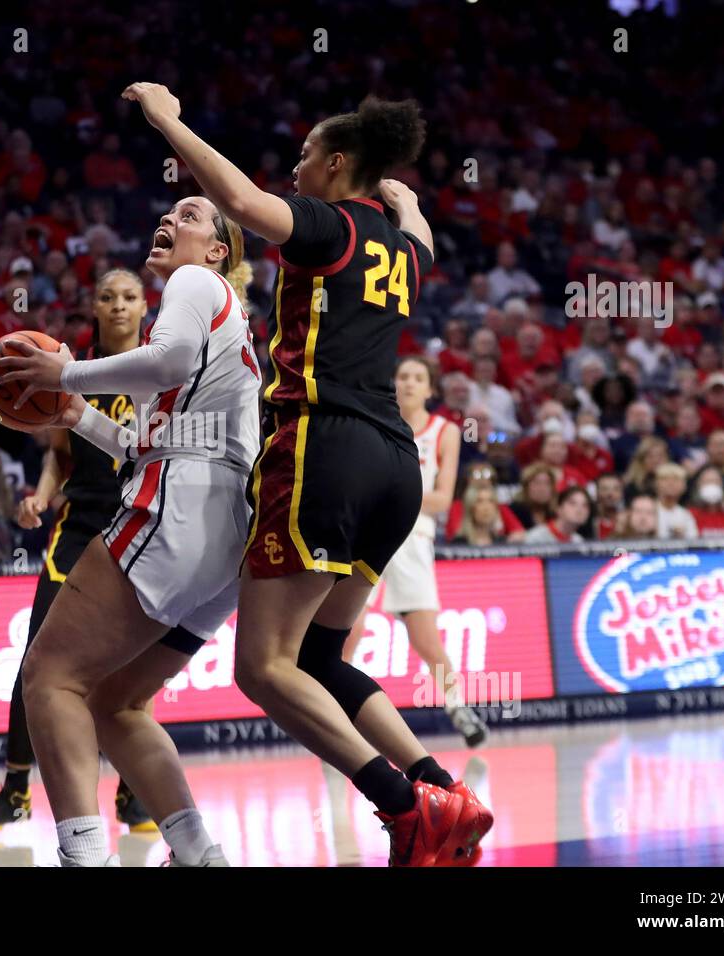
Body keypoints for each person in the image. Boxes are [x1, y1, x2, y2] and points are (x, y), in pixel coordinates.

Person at [118, 82, 489, 866]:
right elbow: (420, 227)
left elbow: (241, 200)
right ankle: (446, 793)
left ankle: (403, 809)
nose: (295, 169)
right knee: (320, 659)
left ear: (338, 163)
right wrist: (406, 197)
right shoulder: (405, 247)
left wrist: (169, 122)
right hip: (396, 468)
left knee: (262, 668)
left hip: (325, 448)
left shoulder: (331, 227)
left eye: (306, 156)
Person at [0, 189, 258, 867]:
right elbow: (146, 443)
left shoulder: (196, 284)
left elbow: (163, 364)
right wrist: (77, 412)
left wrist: (65, 371)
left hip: (182, 508)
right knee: (117, 703)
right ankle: (199, 853)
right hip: (226, 539)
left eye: (191, 216)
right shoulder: (223, 331)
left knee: (49, 675)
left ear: (218, 252)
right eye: (167, 212)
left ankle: (85, 856)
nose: (171, 219)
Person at [0, 268, 155, 834]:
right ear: (94, 307)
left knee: (134, 669)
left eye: (129, 296)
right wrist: (41, 496)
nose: (118, 306)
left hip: (140, 522)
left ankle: (132, 794)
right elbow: (59, 453)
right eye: (107, 297)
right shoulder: (70, 370)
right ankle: (15, 790)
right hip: (78, 527)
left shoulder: (162, 368)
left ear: (146, 306)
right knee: (37, 660)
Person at [352, 357, 487, 747]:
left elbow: (444, 499)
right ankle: (338, 716)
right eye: (403, 377)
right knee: (348, 632)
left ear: (430, 389)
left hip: (413, 537)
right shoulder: (375, 421)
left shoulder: (444, 431)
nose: (409, 384)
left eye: (418, 378)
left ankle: (459, 709)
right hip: (369, 532)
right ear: (392, 384)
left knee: (426, 640)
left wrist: (394, 497)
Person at [687, 464, 724, 538]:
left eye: (715, 481)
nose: (711, 485)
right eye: (707, 481)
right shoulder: (690, 514)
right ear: (699, 485)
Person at [523, 486, 591, 543]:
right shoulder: (535, 538)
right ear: (558, 508)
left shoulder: (579, 541)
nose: (579, 510)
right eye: (572, 503)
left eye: (585, 505)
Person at [653, 463, 698, 539]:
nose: (671, 483)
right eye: (665, 479)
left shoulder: (685, 514)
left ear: (684, 486)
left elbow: (693, 541)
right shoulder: (647, 510)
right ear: (656, 484)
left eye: (676, 479)